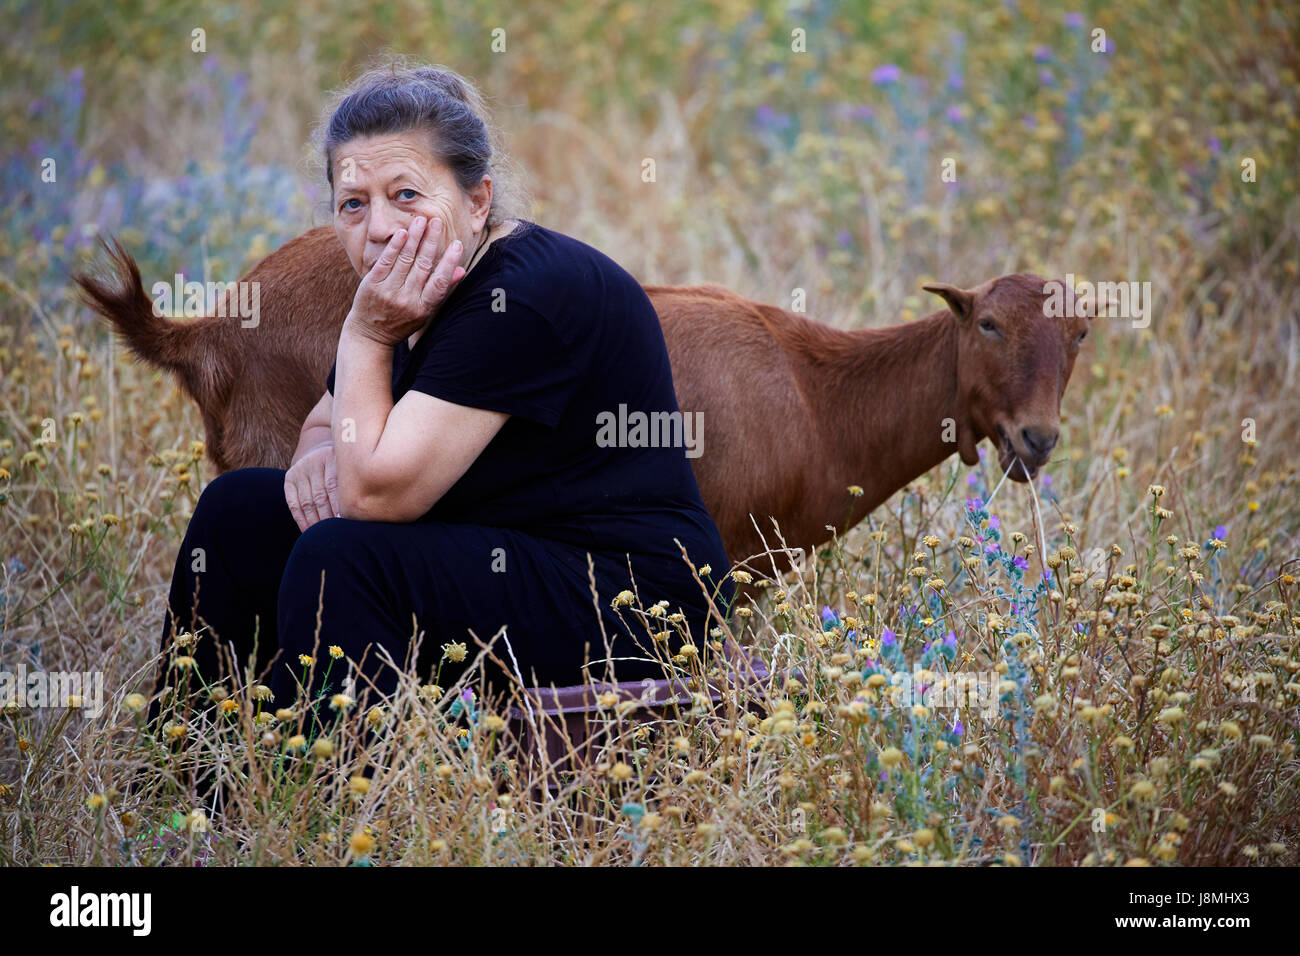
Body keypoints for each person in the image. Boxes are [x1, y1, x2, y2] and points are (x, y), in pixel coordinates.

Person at [149, 62, 734, 725]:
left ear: (478, 200)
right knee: (239, 511)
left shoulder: (523, 298)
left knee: (343, 556)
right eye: (353, 203)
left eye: (405, 195)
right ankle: (187, 786)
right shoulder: (425, 281)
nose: (376, 228)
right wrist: (318, 456)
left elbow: (377, 495)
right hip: (506, 553)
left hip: (627, 601)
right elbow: (324, 425)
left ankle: (328, 799)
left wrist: (366, 336)